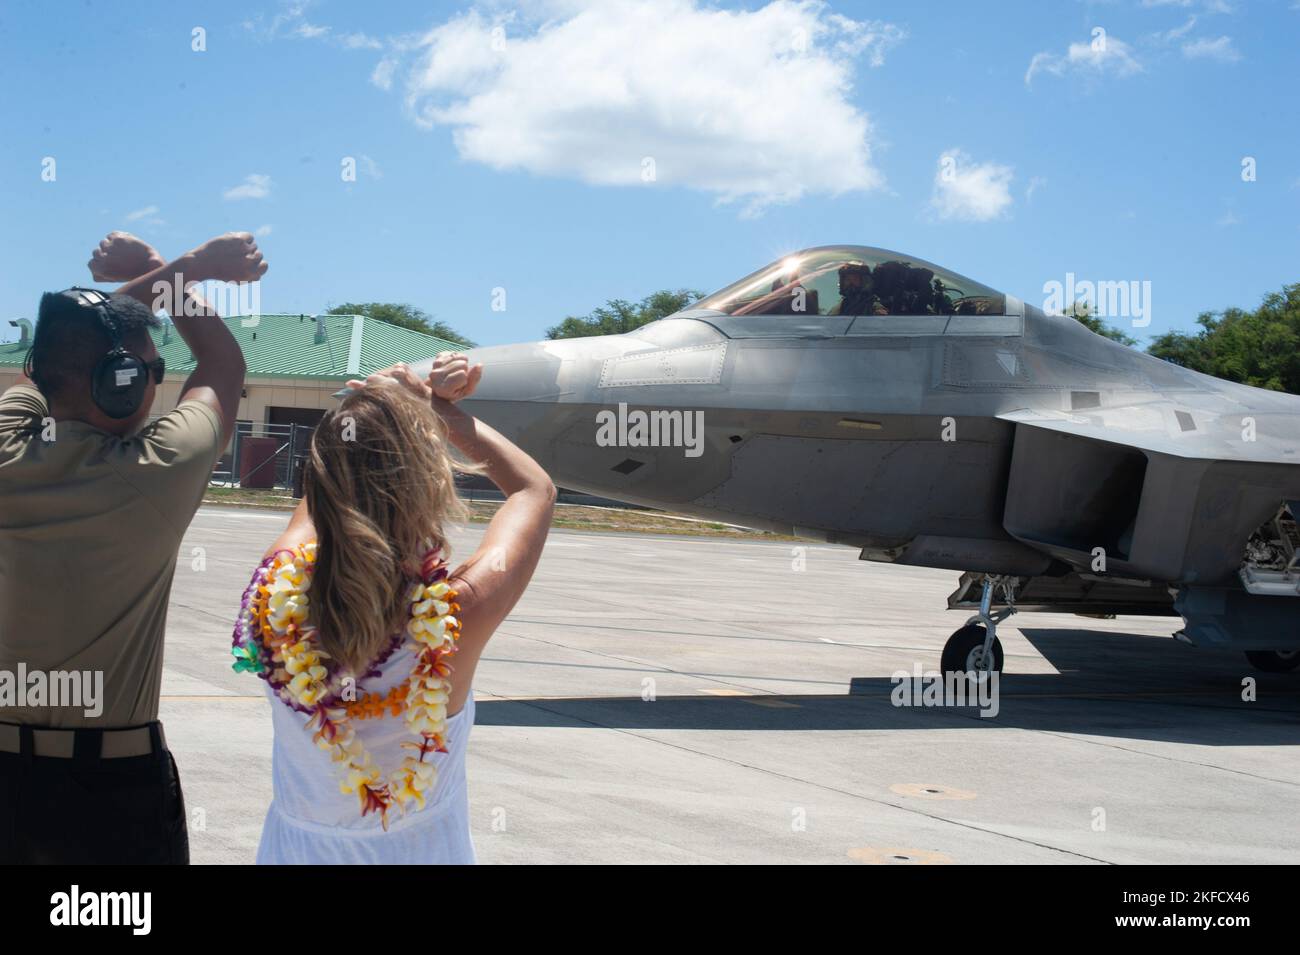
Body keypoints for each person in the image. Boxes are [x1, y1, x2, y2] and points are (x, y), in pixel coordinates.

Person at [0, 230, 265, 863]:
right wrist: (174, 274)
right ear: (122, 383)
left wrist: (177, 268)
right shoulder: (157, 468)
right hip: (110, 795)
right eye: (152, 374)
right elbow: (223, 366)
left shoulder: (7, 440)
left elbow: (68, 342)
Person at [232, 355, 554, 864]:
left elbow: (330, 492)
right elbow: (532, 489)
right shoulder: (456, 614)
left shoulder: (276, 597)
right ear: (430, 484)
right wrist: (437, 411)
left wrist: (374, 412)